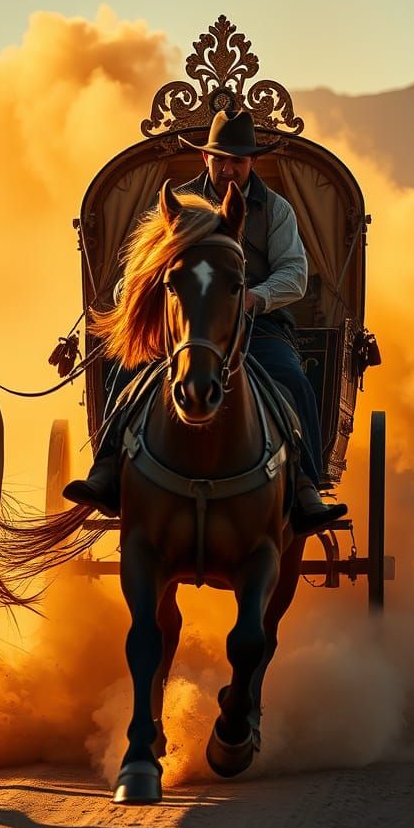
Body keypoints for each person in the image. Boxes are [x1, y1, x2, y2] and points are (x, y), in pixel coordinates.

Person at [63, 108, 347, 535]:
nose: (229, 168)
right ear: (205, 158)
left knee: (292, 378)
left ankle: (306, 486)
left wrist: (254, 297)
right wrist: (137, 292)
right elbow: (141, 268)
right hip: (181, 324)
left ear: (252, 162)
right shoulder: (174, 206)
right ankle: (105, 469)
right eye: (221, 159)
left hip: (255, 323)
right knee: (126, 368)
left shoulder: (276, 210)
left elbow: (294, 274)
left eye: (238, 160)